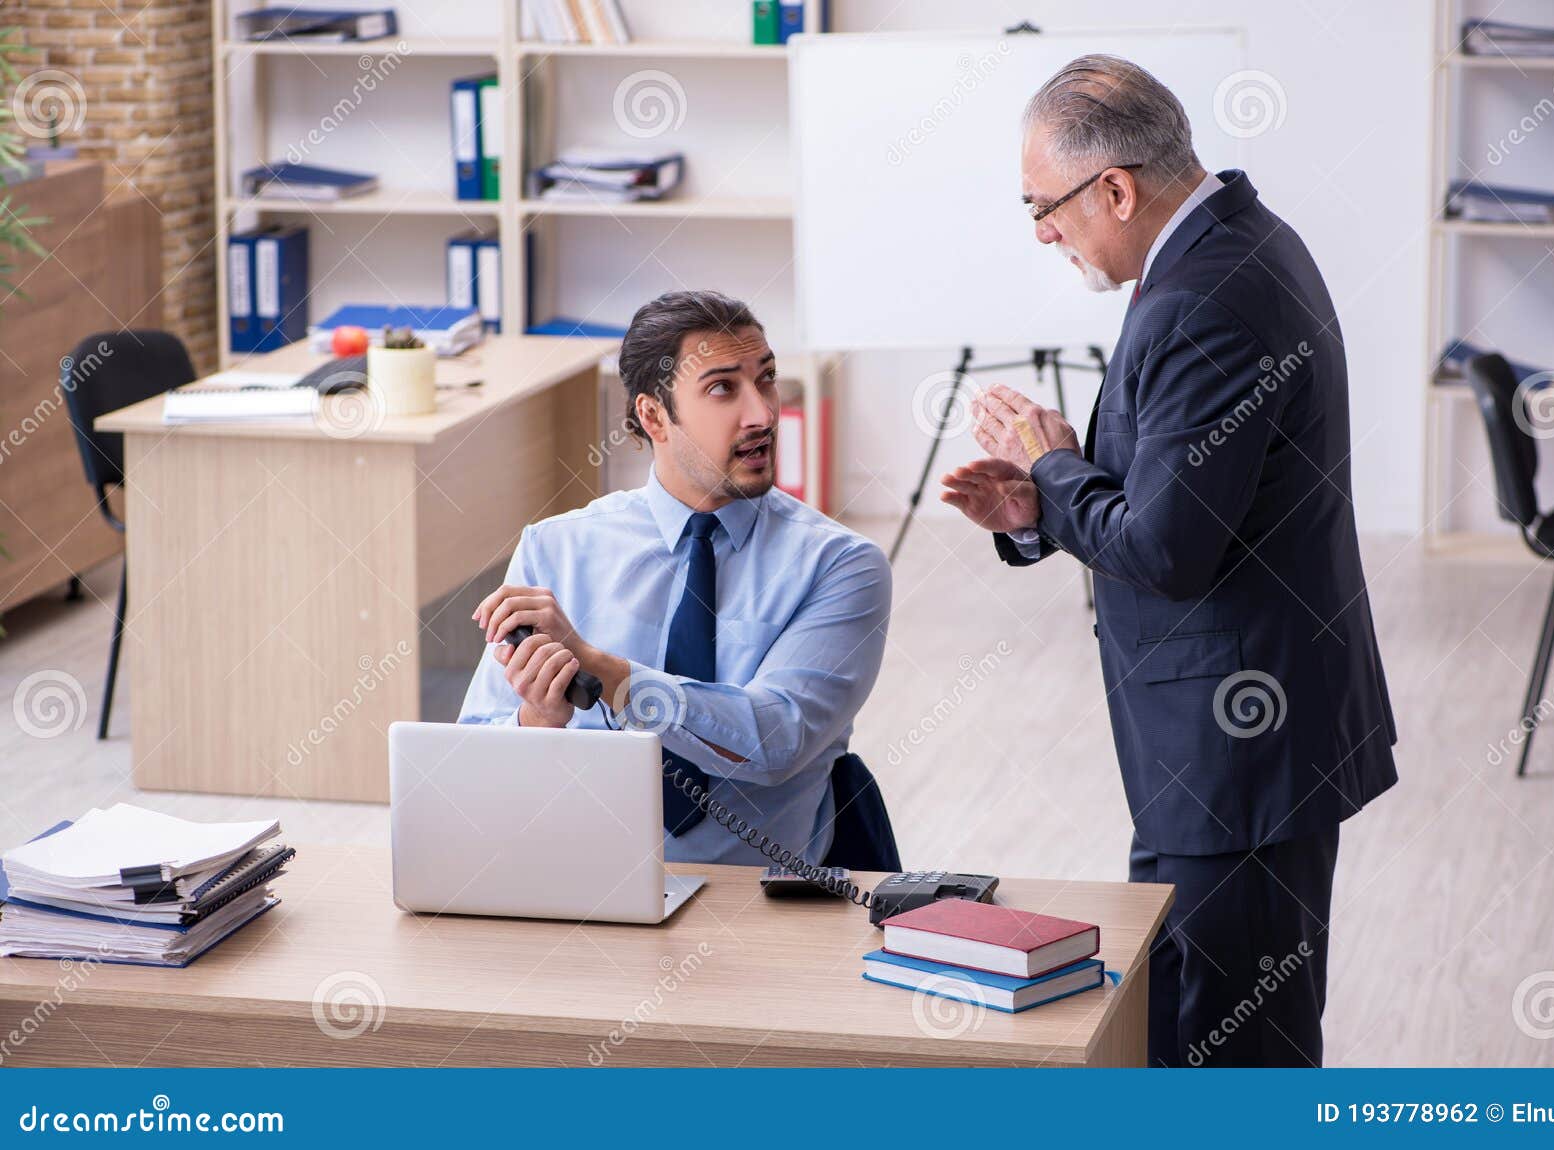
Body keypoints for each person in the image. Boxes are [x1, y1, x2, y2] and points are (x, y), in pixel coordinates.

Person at [940, 55, 1397, 1066]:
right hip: (1236, 736)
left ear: (1114, 188)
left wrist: (1054, 464)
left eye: (1043, 207)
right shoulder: (1236, 245)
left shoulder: (1202, 302)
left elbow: (1161, 547)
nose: (1041, 234)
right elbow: (1179, 500)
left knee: (1227, 1045)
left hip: (1236, 749)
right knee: (1203, 1019)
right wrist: (1039, 503)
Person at [459, 290, 893, 867]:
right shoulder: (555, 548)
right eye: (723, 388)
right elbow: (469, 761)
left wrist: (606, 672)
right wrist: (537, 719)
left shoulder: (841, 565)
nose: (763, 413)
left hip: (760, 904)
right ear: (653, 416)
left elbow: (777, 738)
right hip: (583, 885)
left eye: (765, 379)